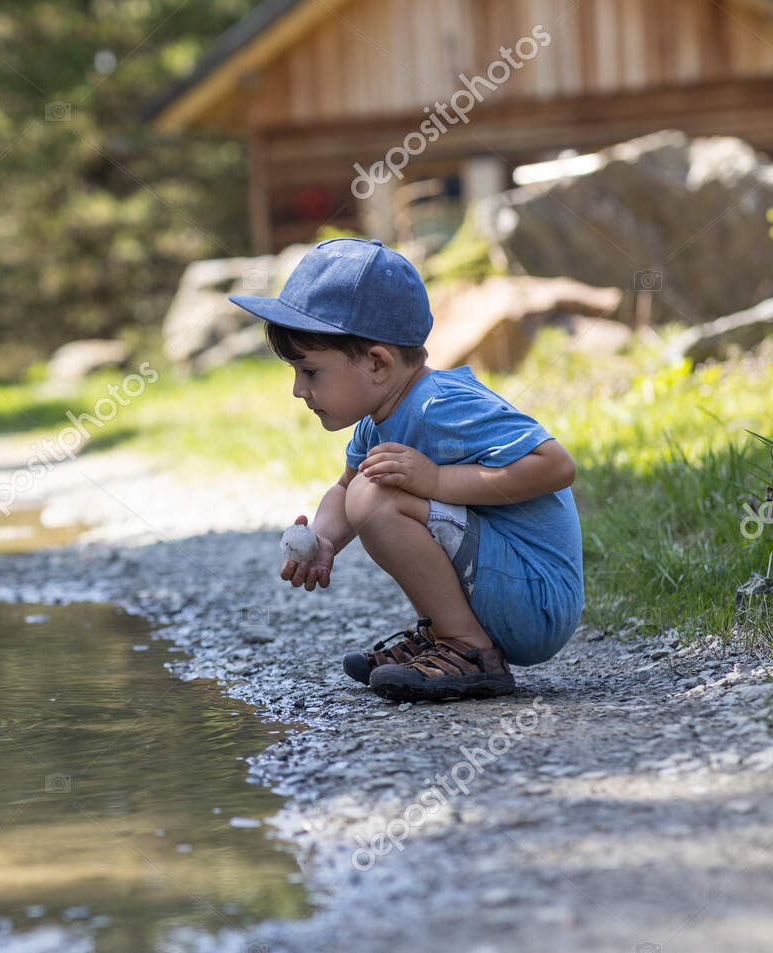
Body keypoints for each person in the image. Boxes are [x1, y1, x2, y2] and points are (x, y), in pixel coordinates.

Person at [229, 237, 582, 701]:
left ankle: (469, 648)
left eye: (310, 372)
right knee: (364, 494)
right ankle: (449, 636)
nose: (298, 389)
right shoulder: (379, 421)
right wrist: (327, 539)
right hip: (502, 586)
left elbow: (555, 465)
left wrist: (435, 480)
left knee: (374, 498)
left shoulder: (441, 405)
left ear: (377, 363)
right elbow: (344, 488)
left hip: (535, 595)